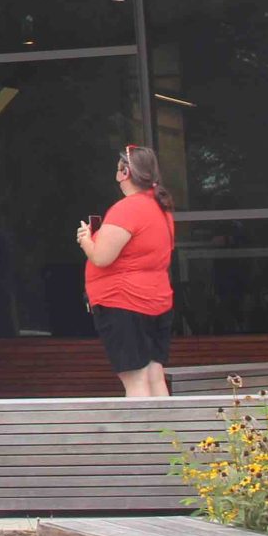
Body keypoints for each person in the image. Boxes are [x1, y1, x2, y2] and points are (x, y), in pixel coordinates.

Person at [79, 145, 176, 398]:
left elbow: (102, 257)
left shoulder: (127, 209)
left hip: (123, 302)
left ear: (125, 173)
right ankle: (165, 426)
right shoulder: (160, 207)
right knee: (154, 376)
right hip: (157, 300)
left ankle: (141, 426)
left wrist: (86, 240)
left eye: (118, 169)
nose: (116, 175)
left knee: (135, 380)